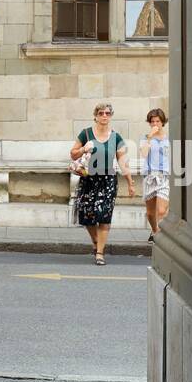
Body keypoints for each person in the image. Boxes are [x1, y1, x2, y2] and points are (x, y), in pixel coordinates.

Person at [70, 102, 134, 266]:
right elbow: (73, 154)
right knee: (87, 217)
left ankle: (100, 252)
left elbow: (122, 161)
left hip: (108, 181)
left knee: (104, 216)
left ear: (111, 116)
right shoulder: (86, 133)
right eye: (101, 113)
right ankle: (96, 241)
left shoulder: (116, 137)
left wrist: (130, 182)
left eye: (107, 113)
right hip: (88, 180)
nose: (104, 116)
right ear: (96, 116)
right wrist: (84, 149)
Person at [140, 107, 170, 241]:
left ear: (162, 122)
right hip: (150, 177)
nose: (155, 124)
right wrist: (150, 137)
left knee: (162, 211)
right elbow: (144, 154)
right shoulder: (146, 138)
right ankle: (154, 230)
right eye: (152, 122)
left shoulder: (168, 138)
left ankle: (160, 236)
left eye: (158, 121)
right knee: (151, 213)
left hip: (164, 177)